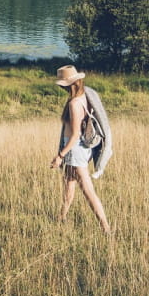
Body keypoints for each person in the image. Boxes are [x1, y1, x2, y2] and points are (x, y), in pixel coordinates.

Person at [49, 65, 111, 234]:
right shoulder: (86, 95)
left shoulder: (74, 103)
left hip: (74, 150)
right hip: (79, 149)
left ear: (69, 85)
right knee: (69, 183)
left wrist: (60, 155)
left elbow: (75, 134)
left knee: (88, 191)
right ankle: (61, 217)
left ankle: (105, 227)